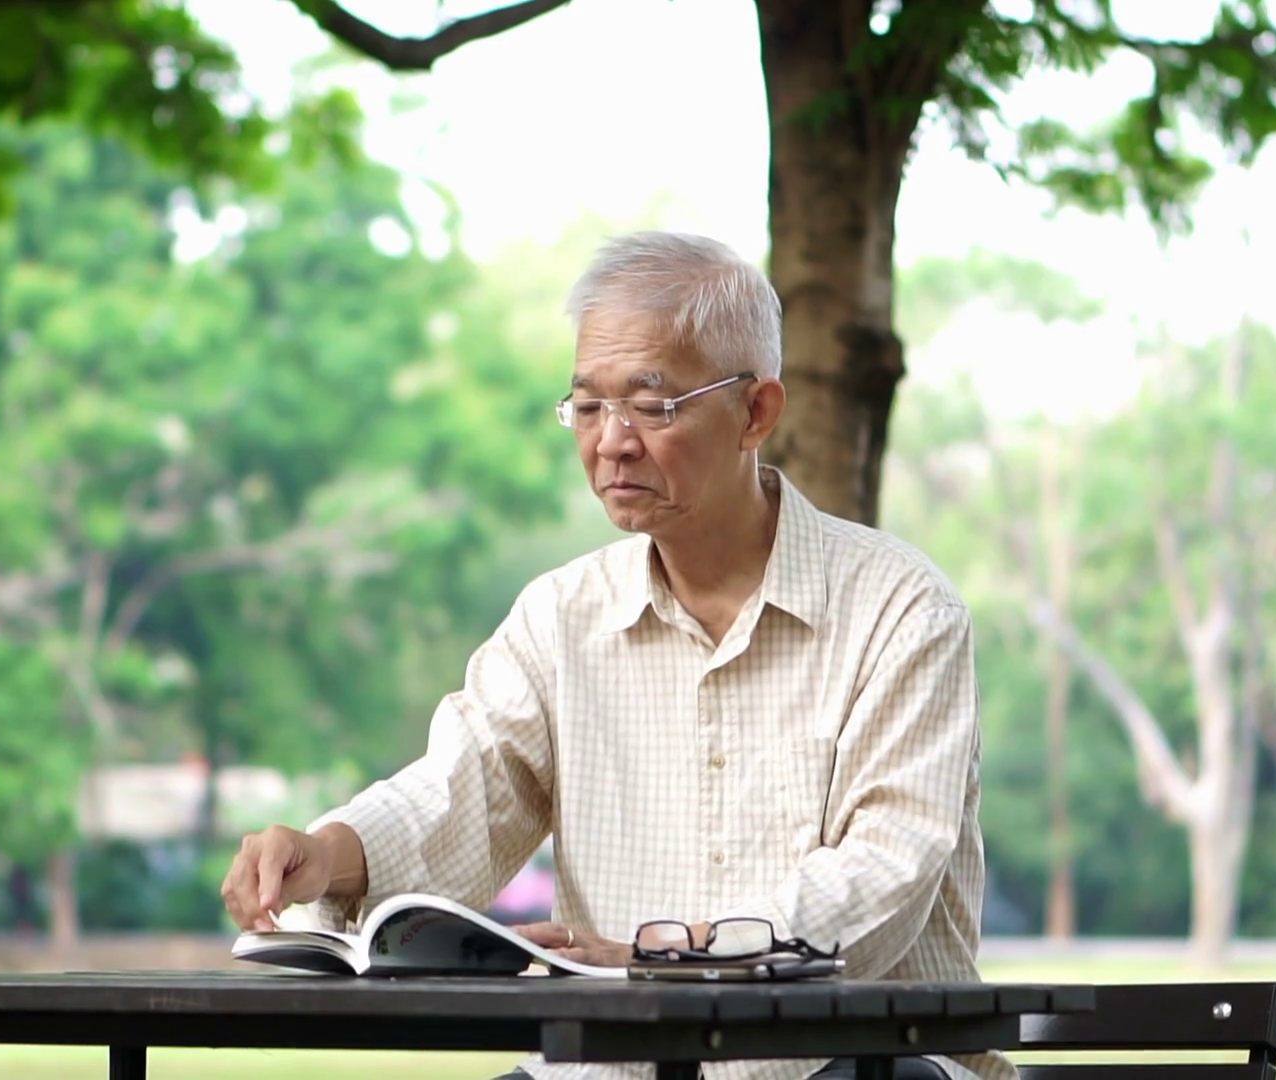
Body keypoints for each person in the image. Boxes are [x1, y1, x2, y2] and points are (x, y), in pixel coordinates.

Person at [222, 231, 1011, 1080]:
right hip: (612, 1070)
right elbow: (461, 792)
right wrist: (325, 854)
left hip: (850, 1067)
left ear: (756, 413)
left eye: (652, 405)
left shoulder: (901, 609)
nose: (612, 441)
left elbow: (886, 875)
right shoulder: (562, 617)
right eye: (589, 406)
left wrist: (663, 958)